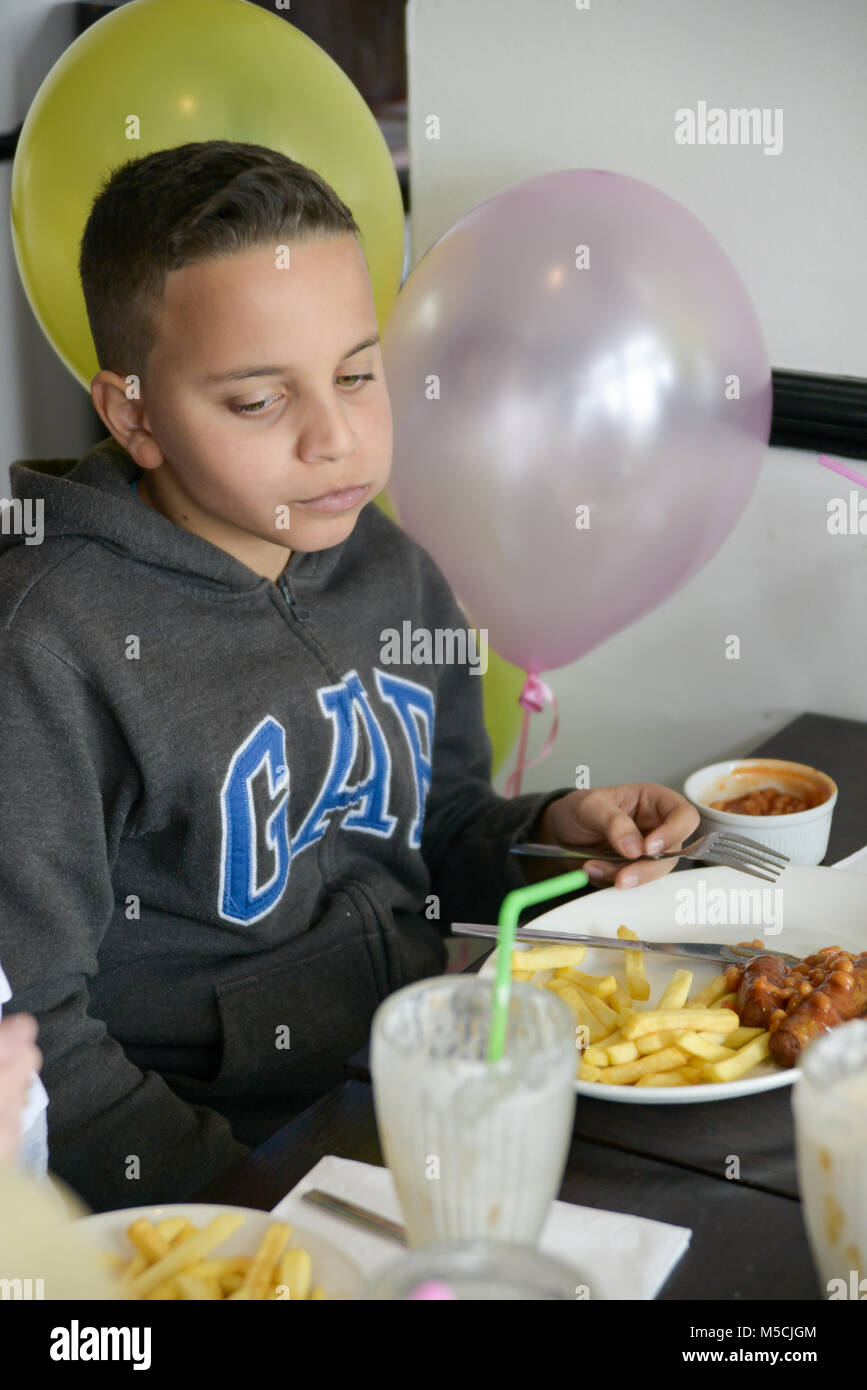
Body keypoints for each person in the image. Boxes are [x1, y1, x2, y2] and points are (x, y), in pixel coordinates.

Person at [0, 141, 699, 1212]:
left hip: (432, 1089)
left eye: (358, 374)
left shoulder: (391, 570)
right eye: (255, 403)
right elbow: (36, 1025)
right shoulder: (48, 645)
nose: (335, 440)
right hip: (222, 1169)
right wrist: (252, 1206)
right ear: (133, 413)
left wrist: (552, 834)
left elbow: (442, 824)